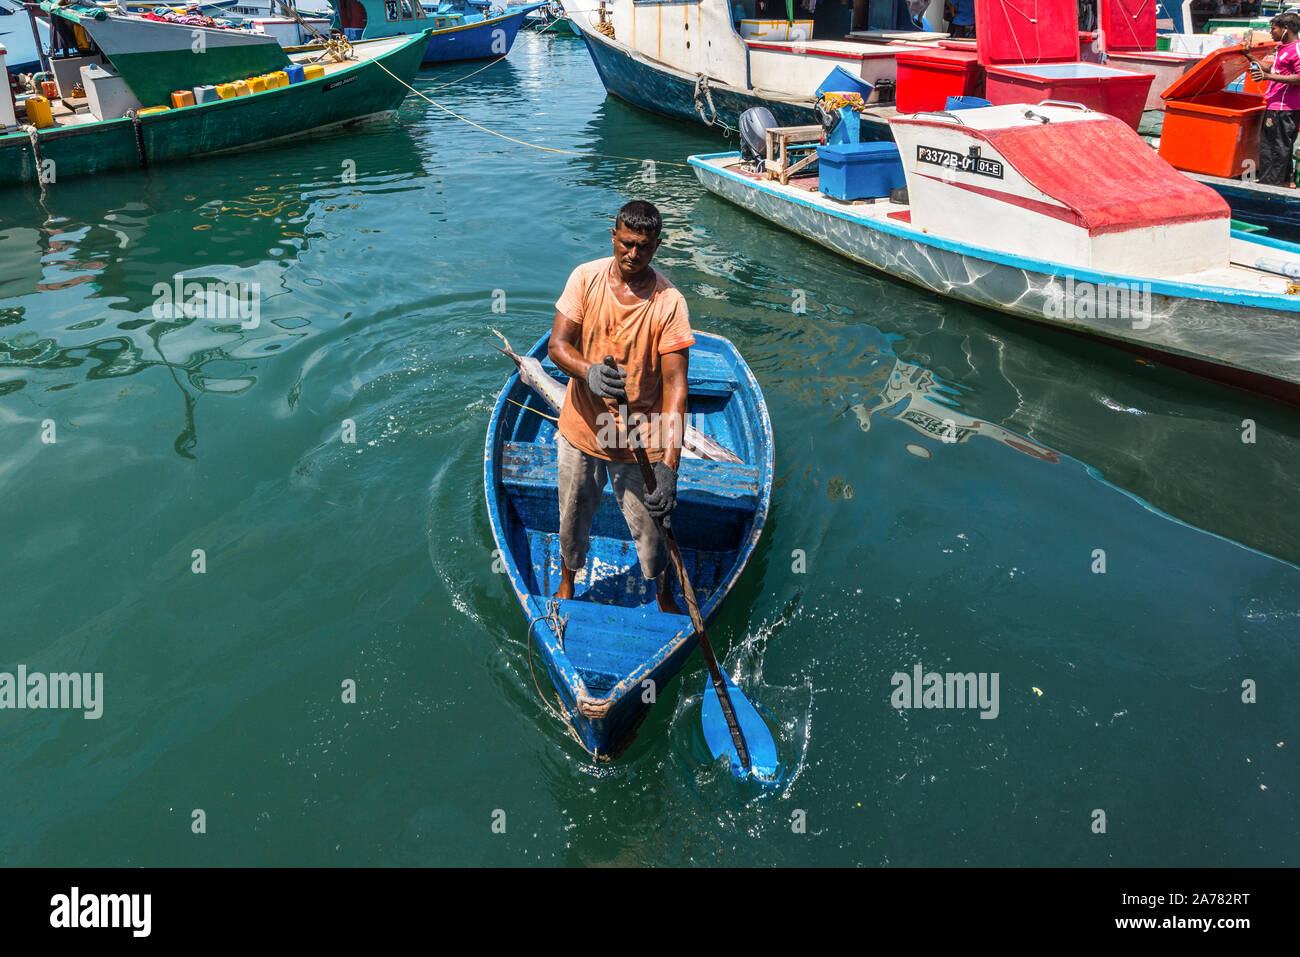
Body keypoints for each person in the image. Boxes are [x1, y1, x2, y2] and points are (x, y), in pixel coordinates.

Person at [548, 201, 695, 614]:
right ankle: (567, 580)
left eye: (644, 247)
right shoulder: (585, 279)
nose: (633, 255)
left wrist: (669, 467)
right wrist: (588, 371)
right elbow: (557, 346)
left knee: (654, 531)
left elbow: (675, 391)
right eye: (626, 244)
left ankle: (663, 592)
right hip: (583, 428)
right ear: (613, 237)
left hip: (639, 438)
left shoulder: (669, 303)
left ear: (657, 246)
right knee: (572, 518)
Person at [1250, 12, 1300, 187]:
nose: (1271, 33)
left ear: (1285, 29)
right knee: (1280, 147)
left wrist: (1267, 77)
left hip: (1284, 108)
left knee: (1273, 149)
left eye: (1273, 29)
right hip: (1276, 104)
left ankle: (1270, 186)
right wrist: (1250, 57)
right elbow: (1274, 69)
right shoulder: (1282, 48)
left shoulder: (1296, 49)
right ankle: (1286, 182)